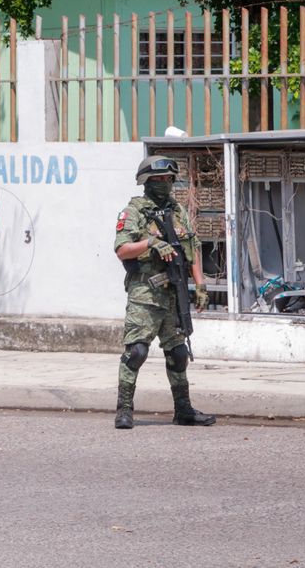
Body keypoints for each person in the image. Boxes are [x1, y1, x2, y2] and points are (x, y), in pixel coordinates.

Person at [112, 155, 214, 429]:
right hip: (145, 294)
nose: (164, 183)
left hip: (174, 294)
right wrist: (151, 243)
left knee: (178, 353)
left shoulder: (177, 211)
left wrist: (200, 285)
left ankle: (183, 410)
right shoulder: (133, 211)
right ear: (146, 181)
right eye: (158, 179)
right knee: (136, 352)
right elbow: (122, 249)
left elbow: (192, 252)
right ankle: (124, 410)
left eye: (168, 179)